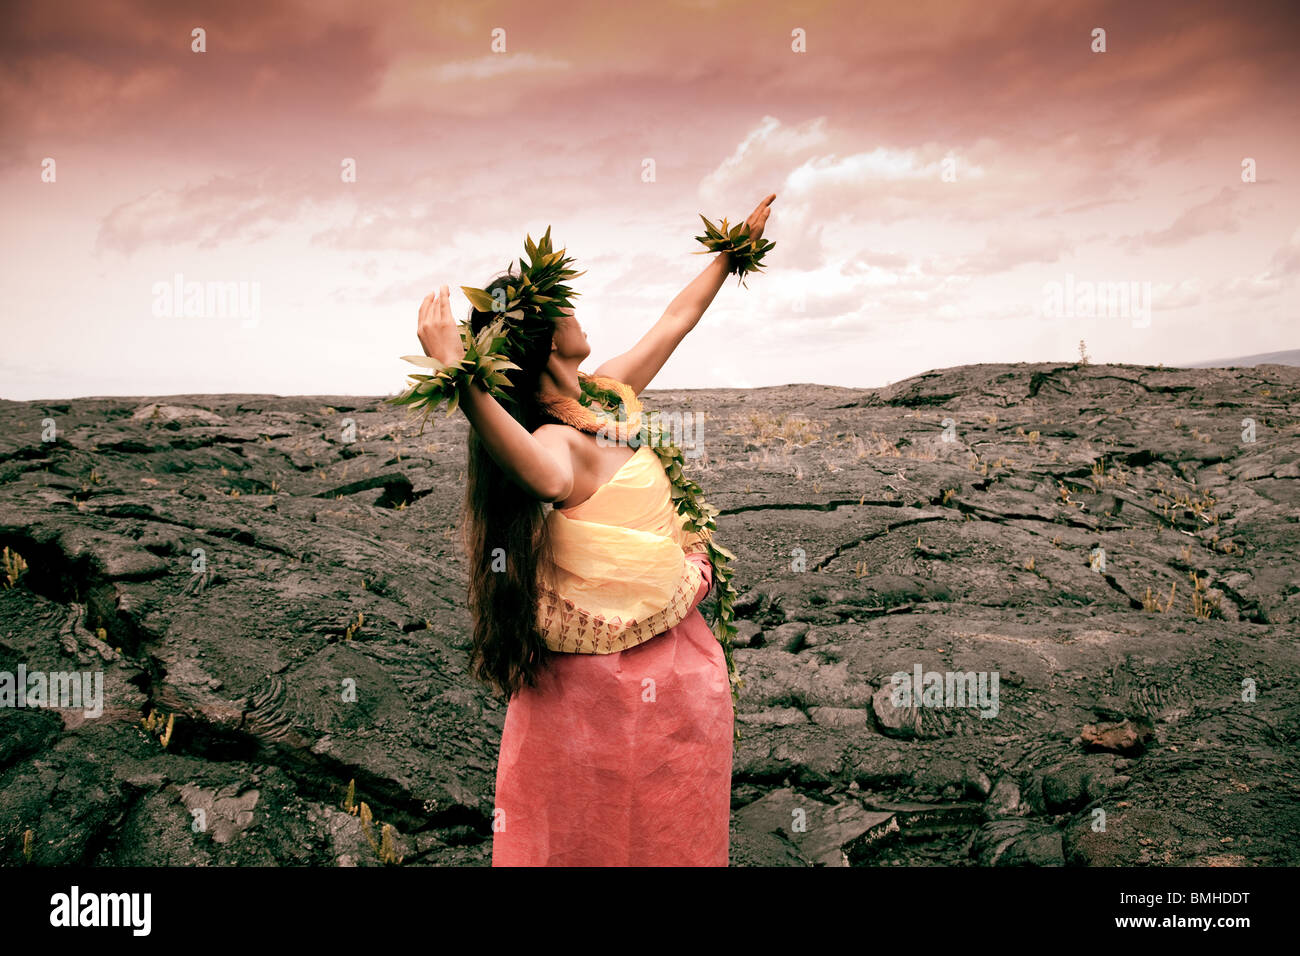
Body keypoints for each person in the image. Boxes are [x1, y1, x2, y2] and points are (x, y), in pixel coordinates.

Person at [412, 195, 774, 866]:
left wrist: (731, 256)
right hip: (602, 685)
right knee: (600, 833)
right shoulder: (553, 441)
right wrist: (462, 381)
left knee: (671, 828)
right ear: (546, 340)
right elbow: (541, 478)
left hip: (678, 662)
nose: (581, 314)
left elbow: (675, 322)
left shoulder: (606, 397)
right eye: (565, 310)